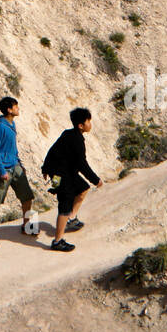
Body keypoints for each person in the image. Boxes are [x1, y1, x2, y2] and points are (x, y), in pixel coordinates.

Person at [41, 107, 103, 253]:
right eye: (88, 121)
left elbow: (52, 150)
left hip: (63, 172)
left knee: (82, 188)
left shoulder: (69, 134)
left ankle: (71, 218)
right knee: (65, 204)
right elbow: (82, 164)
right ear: (81, 125)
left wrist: (45, 168)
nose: (90, 124)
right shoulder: (76, 140)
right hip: (59, 175)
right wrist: (96, 180)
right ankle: (57, 241)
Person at [0, 95, 34, 249]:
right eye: (16, 106)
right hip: (4, 169)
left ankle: (27, 226)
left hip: (15, 166)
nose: (18, 109)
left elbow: (12, 148)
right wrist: (1, 170)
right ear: (9, 109)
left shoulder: (12, 125)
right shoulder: (1, 126)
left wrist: (20, 163)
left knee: (27, 196)